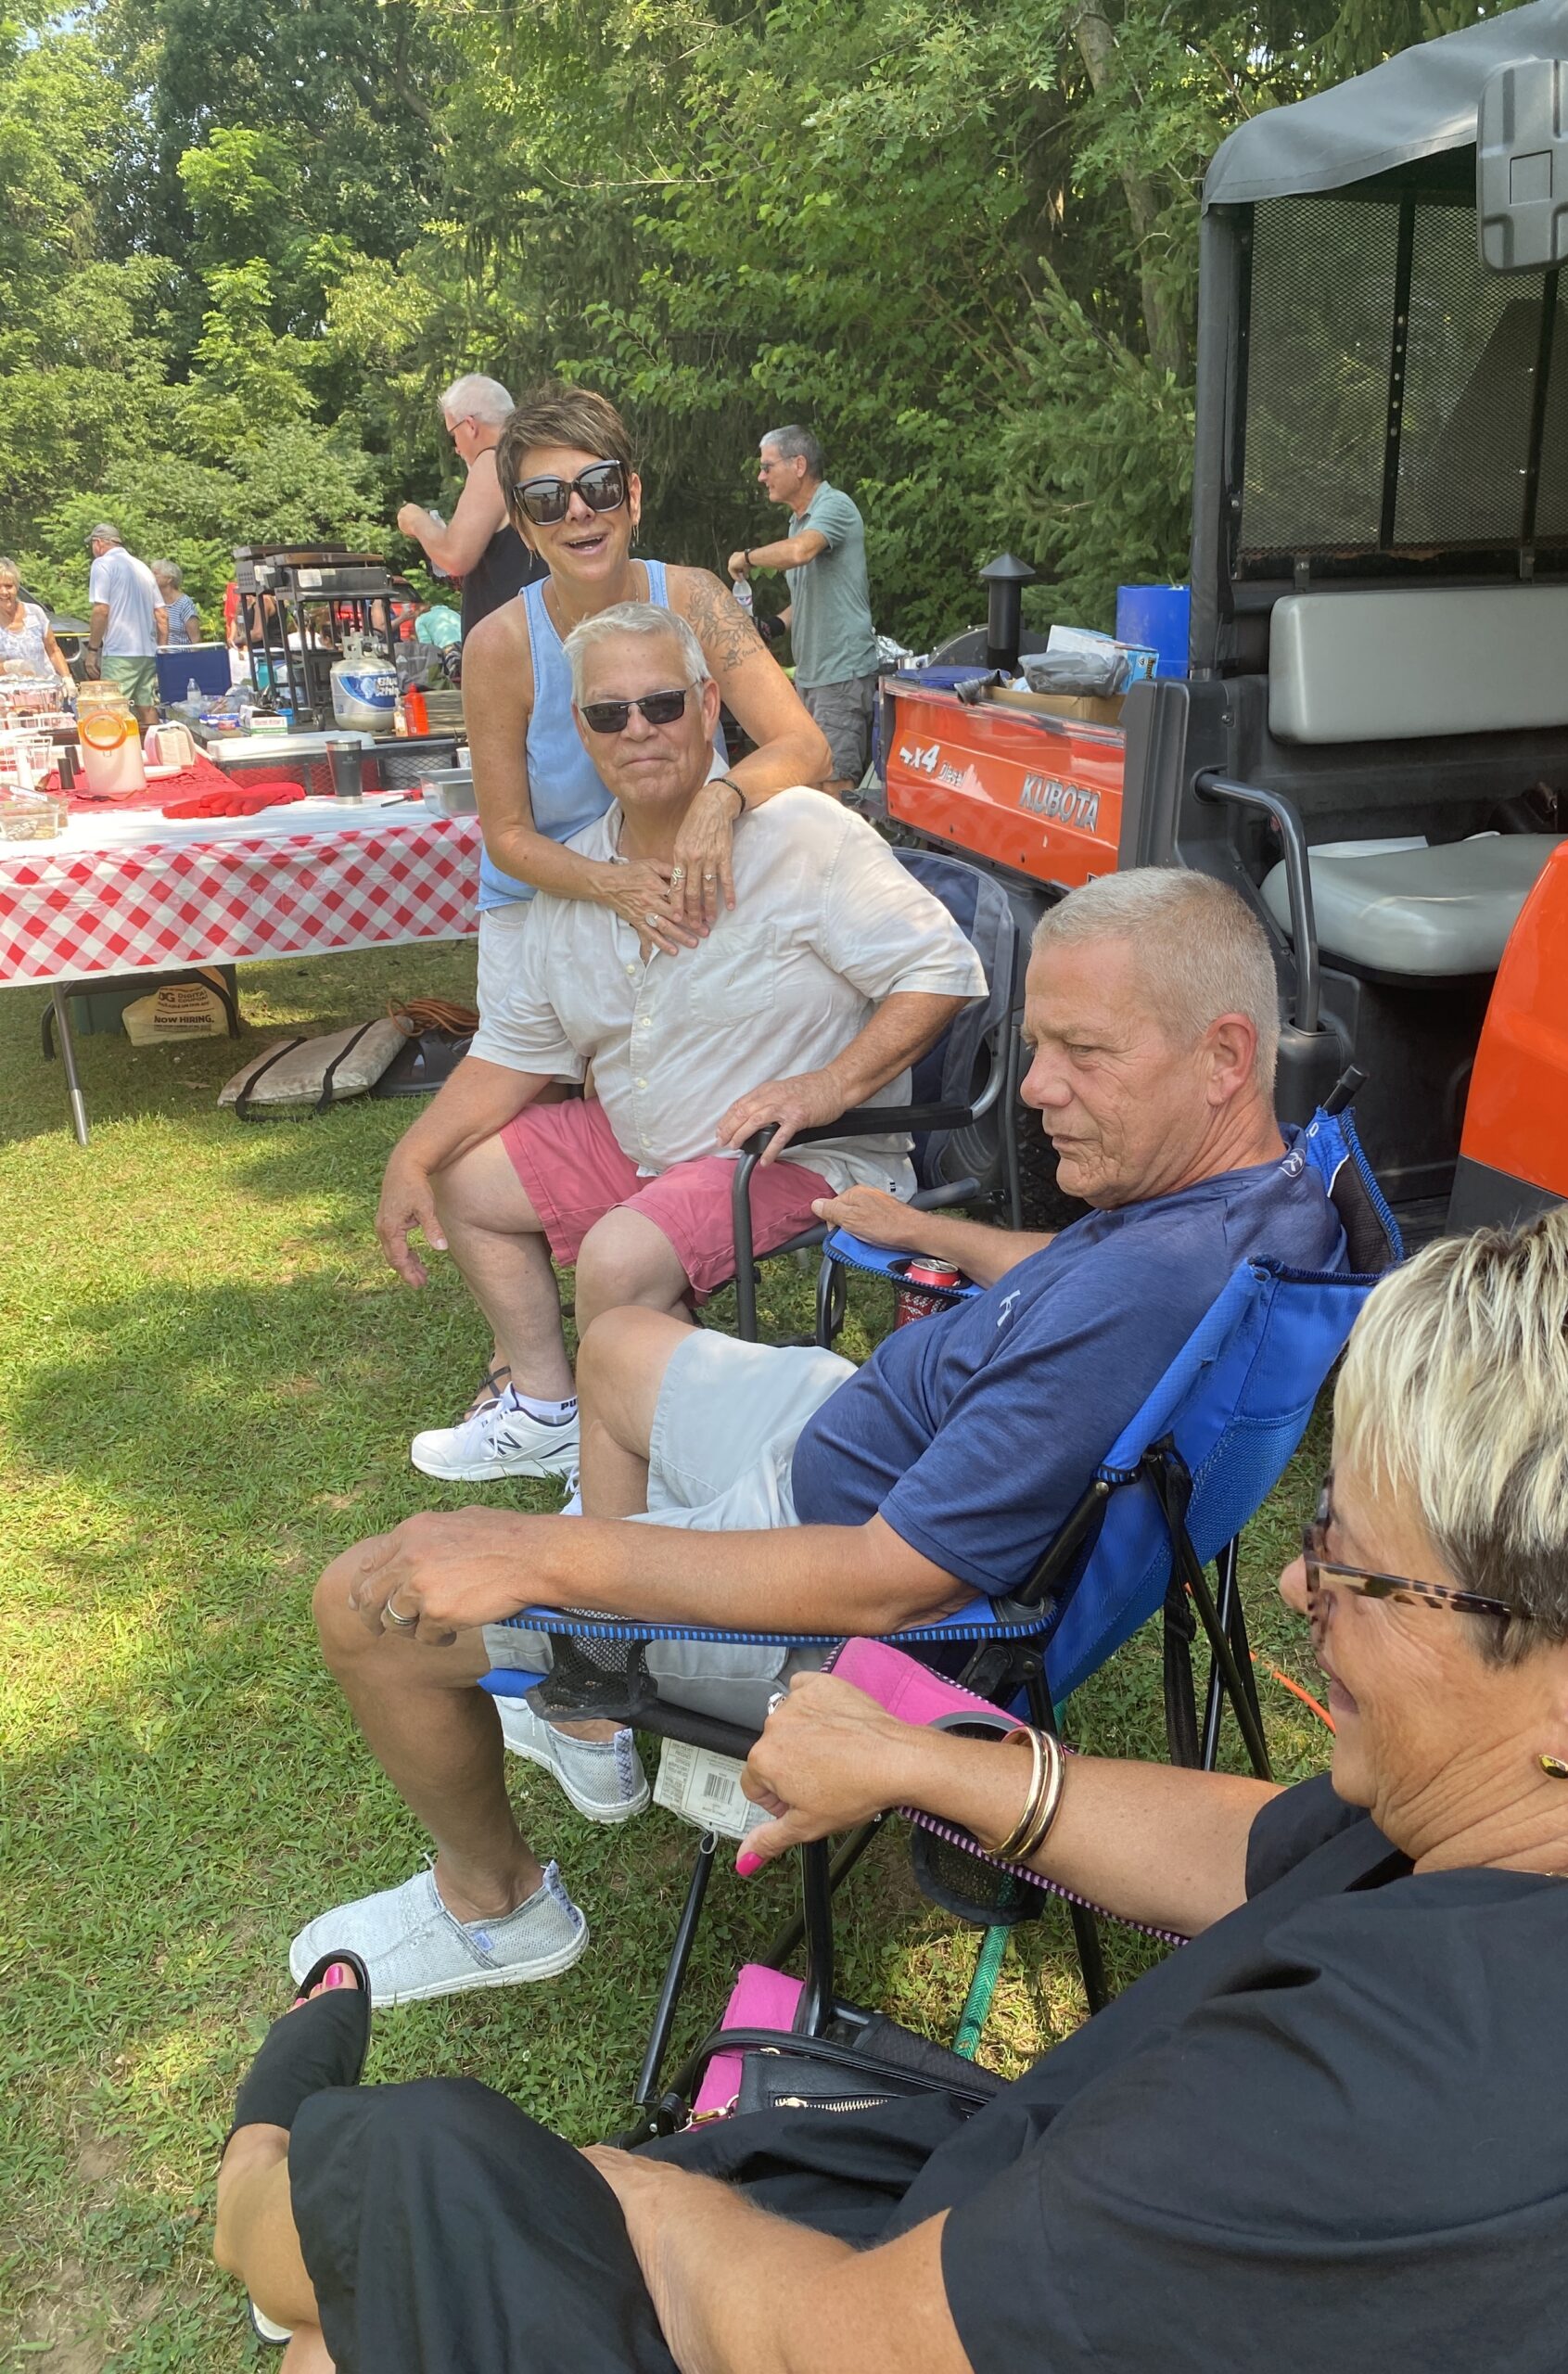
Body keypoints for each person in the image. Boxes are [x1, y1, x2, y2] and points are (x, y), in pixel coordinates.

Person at [217, 1183, 1568, 2374]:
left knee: (419, 2189)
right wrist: (941, 1766)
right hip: (1030, 2217)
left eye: (1355, 1569)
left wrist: (637, 2205)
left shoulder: (1395, 2097)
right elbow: (1286, 1848)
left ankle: (266, 2149)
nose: (1301, 1595)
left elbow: (843, 2347)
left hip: (893, 2318)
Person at [293, 866, 1345, 2000]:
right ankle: (594, 1694)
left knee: (367, 1602)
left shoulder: (1141, 1299)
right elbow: (1077, 1277)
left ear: (1225, 1055)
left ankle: (496, 1906)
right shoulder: (1258, 1203)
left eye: (1084, 1053)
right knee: (615, 1347)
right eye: (1038, 1046)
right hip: (850, 1436)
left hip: (835, 1579)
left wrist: (537, 1556)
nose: (1038, 1088)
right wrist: (922, 1228)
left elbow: (883, 1586)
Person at [380, 599, 984, 1491]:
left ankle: (630, 1456)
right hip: (643, 1139)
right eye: (608, 713)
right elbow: (515, 1051)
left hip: (795, 1152)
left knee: (624, 1254)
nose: (638, 730)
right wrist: (413, 1152)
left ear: (708, 708)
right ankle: (549, 1410)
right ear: (582, 733)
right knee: (467, 1180)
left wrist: (827, 1085)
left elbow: (939, 967)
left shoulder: (803, 836)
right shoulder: (574, 878)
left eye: (662, 705)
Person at [445, 385, 831, 1419]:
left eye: (598, 486)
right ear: (522, 526)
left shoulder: (696, 597)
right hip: (544, 899)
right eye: (547, 498)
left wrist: (722, 792)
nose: (579, 511)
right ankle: (533, 1375)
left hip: (666, 879)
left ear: (635, 496)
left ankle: (649, 1319)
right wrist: (609, 884)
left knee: (648, 1103)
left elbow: (804, 744)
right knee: (521, 1128)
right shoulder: (498, 644)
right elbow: (508, 833)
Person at [728, 427, 879, 794]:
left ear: (798, 465)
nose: (761, 477)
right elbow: (812, 595)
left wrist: (747, 557)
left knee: (834, 790)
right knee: (809, 785)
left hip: (841, 676)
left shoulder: (834, 506)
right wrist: (775, 625)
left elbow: (799, 553)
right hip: (812, 678)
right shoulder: (798, 520)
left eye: (767, 466)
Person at [396, 374, 547, 639]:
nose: (455, 448)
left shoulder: (493, 461)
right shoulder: (536, 457)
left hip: (508, 643)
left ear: (470, 426)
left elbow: (455, 556)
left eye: (453, 436)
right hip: (538, 631)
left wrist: (416, 520)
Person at [83, 523, 165, 726]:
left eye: (93, 544)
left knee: (112, 710)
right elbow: (162, 615)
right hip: (147, 651)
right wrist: (161, 650)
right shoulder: (143, 568)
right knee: (146, 707)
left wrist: (93, 650)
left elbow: (101, 610)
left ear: (99, 543)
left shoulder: (102, 564)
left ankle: (114, 757)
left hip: (121, 652)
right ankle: (157, 753)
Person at [0, 560, 75, 692]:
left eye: (8, 586)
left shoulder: (35, 612)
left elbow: (53, 650)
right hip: (9, 698)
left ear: (16, 587)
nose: (4, 592)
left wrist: (67, 678)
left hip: (47, 690)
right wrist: (8, 667)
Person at [151, 561, 201, 646]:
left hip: (181, 657)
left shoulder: (184, 603)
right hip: (158, 657)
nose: (151, 576)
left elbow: (196, 640)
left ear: (169, 579)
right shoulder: (153, 601)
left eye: (155, 573)